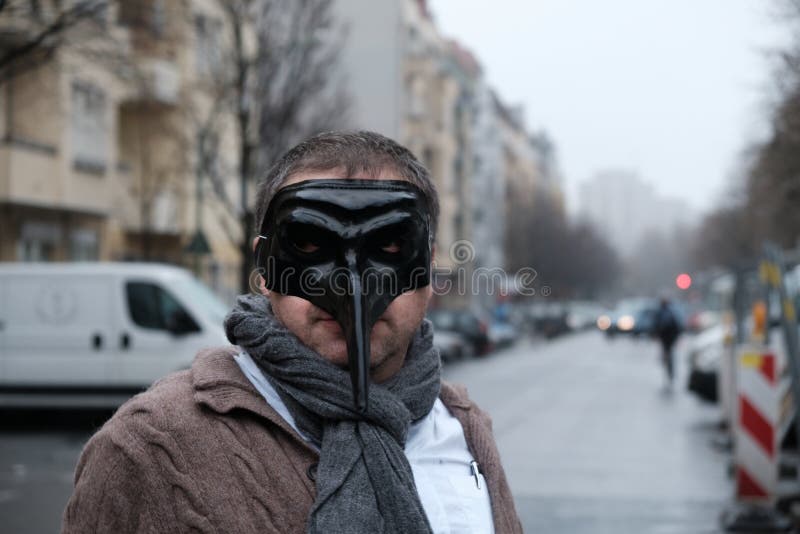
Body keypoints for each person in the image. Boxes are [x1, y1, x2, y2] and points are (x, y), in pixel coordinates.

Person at [62, 131, 522, 534]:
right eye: (306, 243)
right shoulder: (148, 447)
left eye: (390, 244)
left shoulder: (465, 430)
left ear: (427, 265)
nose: (348, 284)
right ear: (265, 268)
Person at [654, 297, 682, 385]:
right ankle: (670, 371)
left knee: (666, 353)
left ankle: (667, 368)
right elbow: (677, 326)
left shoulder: (661, 312)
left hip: (665, 338)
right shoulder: (671, 312)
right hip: (670, 338)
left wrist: (656, 334)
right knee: (670, 354)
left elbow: (656, 324)